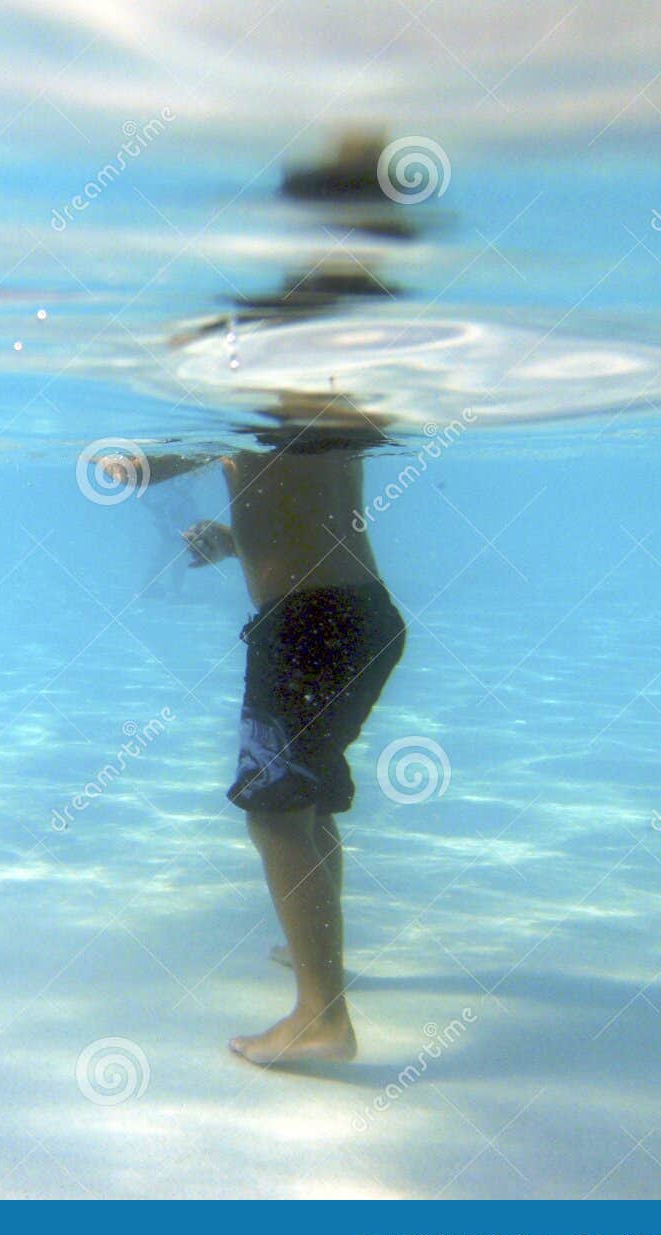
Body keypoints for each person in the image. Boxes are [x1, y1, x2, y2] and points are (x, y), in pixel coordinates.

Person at [108, 391, 405, 1064]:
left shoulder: (253, 415)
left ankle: (322, 1014)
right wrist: (235, 539)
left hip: (304, 630)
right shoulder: (329, 418)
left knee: (275, 813)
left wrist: (128, 461)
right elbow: (306, 510)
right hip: (366, 618)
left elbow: (147, 467)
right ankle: (316, 954)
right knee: (310, 798)